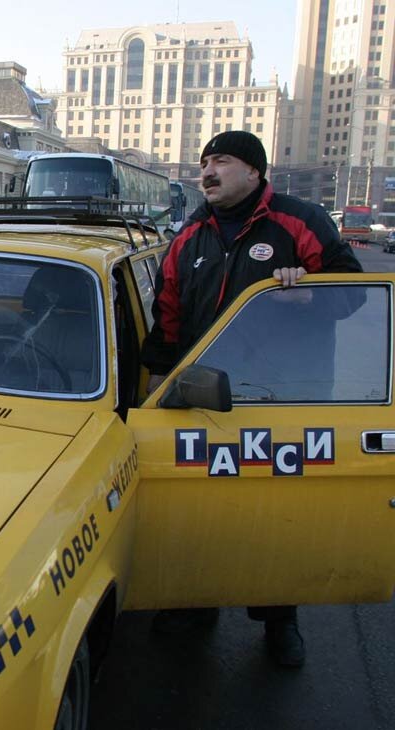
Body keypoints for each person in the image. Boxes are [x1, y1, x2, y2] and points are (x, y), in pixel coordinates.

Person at [141, 130, 362, 668]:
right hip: (203, 396)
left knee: (274, 511)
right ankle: (196, 602)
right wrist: (157, 390)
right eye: (204, 164)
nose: (207, 173)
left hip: (283, 397)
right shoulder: (190, 235)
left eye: (220, 161)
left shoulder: (300, 222)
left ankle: (279, 621)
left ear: (255, 172)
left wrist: (311, 290)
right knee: (199, 505)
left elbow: (352, 289)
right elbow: (169, 315)